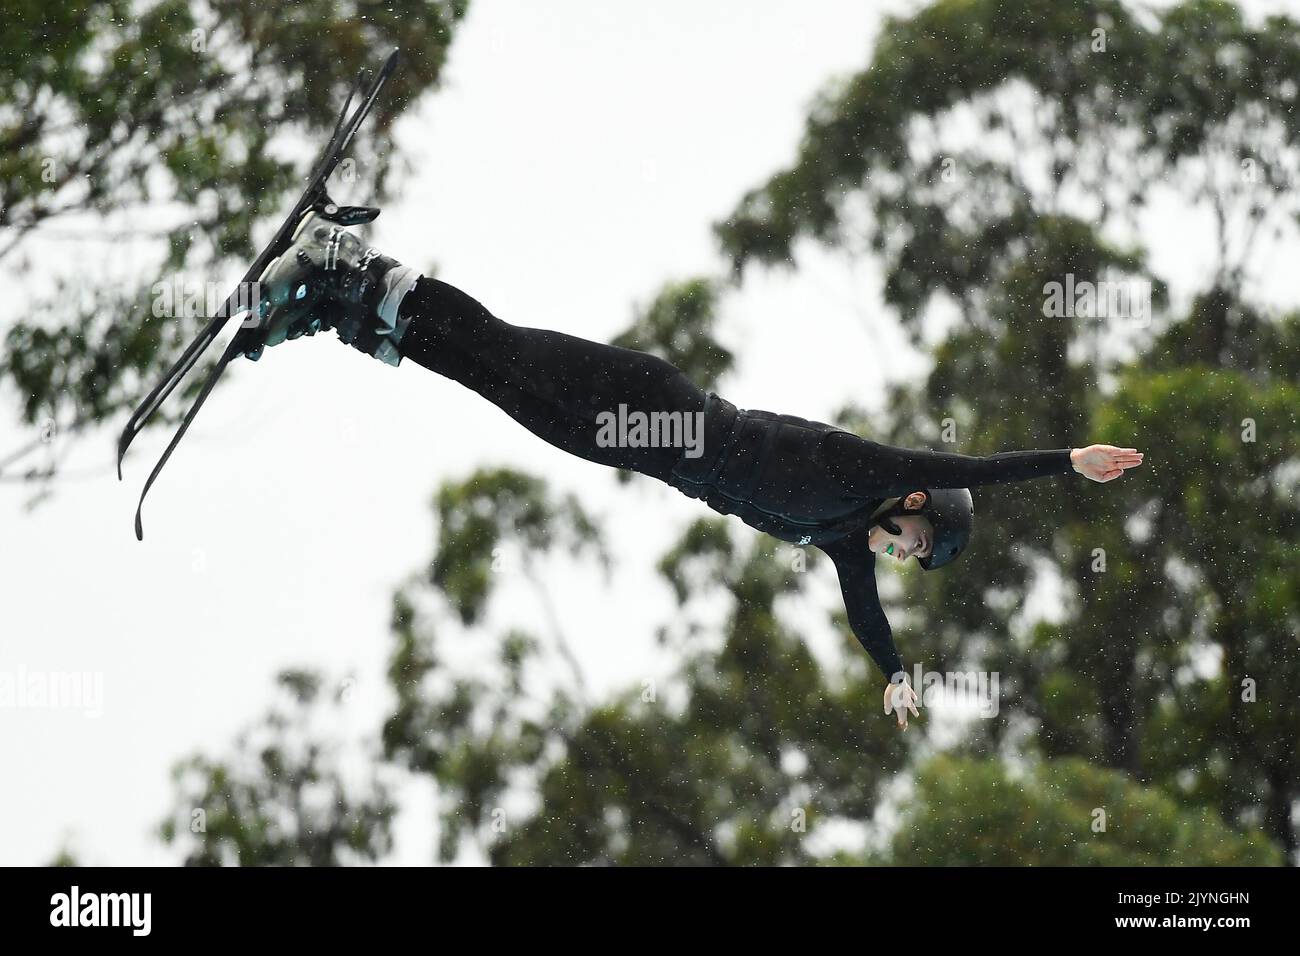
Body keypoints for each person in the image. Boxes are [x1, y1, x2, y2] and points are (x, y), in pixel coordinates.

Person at [251, 210, 1144, 729]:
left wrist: (896, 672)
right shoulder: (863, 468)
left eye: (914, 557)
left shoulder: (840, 538)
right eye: (920, 541)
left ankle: (353, 309)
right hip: (655, 403)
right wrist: (1068, 461)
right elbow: (968, 465)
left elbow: (865, 612)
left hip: (639, 451)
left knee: (493, 381)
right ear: (917, 503)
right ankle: (350, 260)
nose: (906, 555)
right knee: (505, 350)